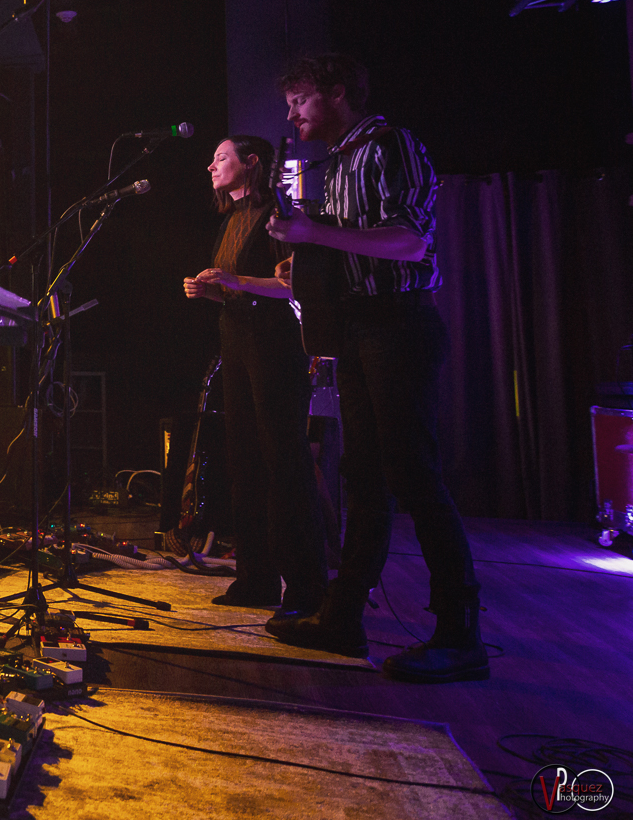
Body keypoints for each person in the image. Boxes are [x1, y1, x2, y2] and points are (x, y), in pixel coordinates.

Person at [264, 53, 486, 683]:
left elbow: (410, 240)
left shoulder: (392, 145)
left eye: (301, 99)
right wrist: (302, 265)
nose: (292, 114)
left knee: (413, 475)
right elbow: (342, 244)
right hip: (362, 325)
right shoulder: (335, 163)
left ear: (337, 93)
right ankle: (341, 617)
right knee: (362, 473)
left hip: (400, 323)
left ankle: (460, 634)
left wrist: (313, 237)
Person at [183, 136, 327, 623]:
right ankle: (256, 577)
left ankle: (307, 586)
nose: (211, 165)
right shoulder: (230, 217)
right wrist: (211, 292)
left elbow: (292, 283)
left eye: (220, 157)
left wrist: (235, 282)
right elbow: (238, 289)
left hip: (276, 348)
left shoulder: (275, 213)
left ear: (252, 164)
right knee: (243, 459)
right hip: (237, 342)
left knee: (283, 462)